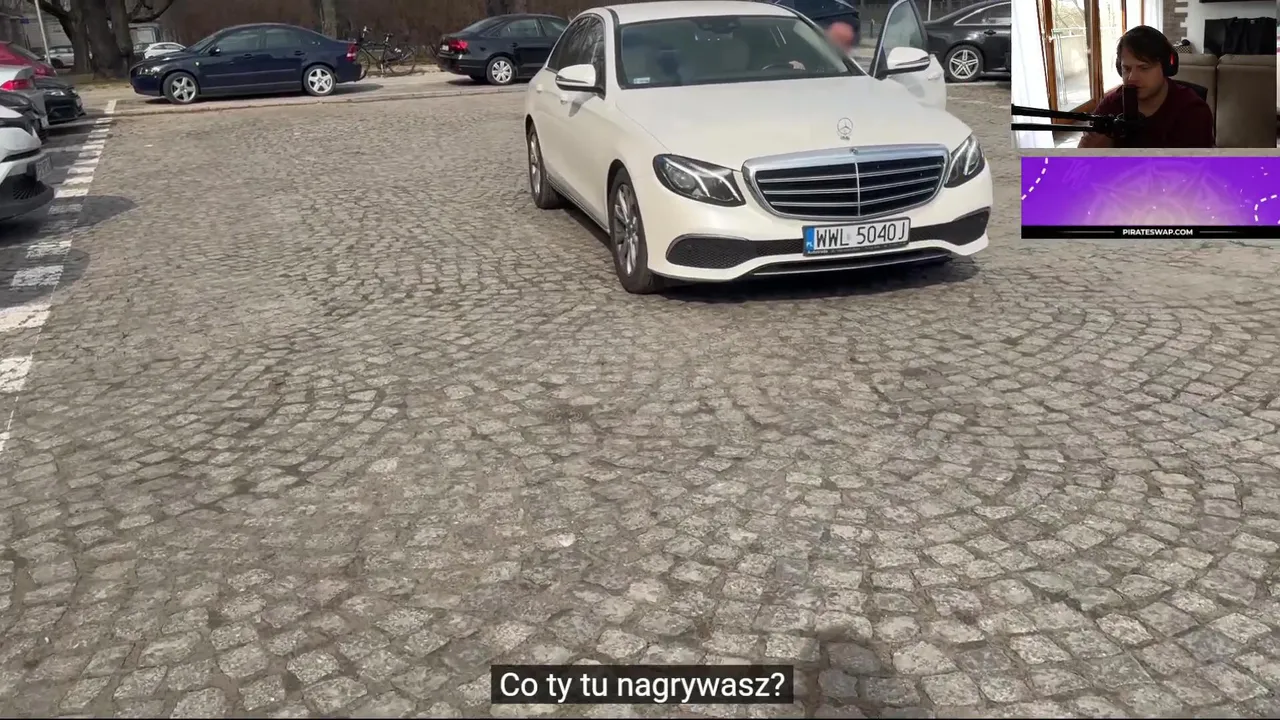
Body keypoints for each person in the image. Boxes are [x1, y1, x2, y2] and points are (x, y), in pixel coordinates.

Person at [1078, 26, 1215, 149]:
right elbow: (1080, 160)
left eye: (1144, 68)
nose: (1132, 78)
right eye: (1126, 68)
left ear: (1166, 68)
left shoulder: (1193, 111)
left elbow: (1192, 168)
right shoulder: (1111, 105)